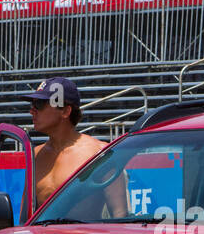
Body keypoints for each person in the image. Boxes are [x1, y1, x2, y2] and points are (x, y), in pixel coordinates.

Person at [22, 77, 127, 215]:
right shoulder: (35, 155)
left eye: (39, 104)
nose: (32, 111)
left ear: (65, 111)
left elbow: (120, 214)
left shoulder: (99, 153)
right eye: (32, 105)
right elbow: (26, 217)